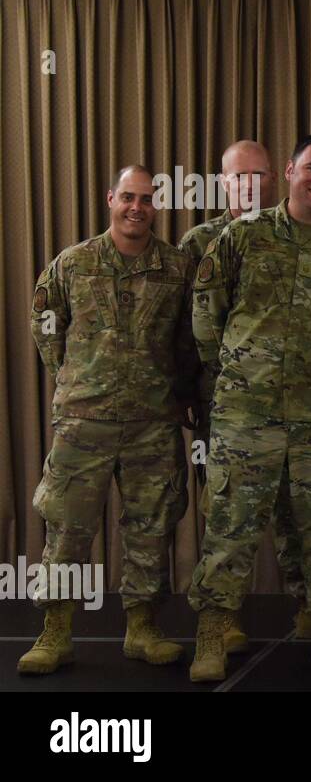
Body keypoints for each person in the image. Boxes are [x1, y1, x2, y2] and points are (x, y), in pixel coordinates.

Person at [187, 135, 311, 681]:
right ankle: (211, 636)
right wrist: (238, 371)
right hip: (247, 414)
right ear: (290, 171)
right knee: (231, 526)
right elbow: (208, 318)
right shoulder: (242, 237)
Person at [20, 165, 196, 674]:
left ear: (156, 206)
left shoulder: (177, 268)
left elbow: (190, 338)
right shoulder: (73, 264)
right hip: (84, 422)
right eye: (127, 198)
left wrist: (180, 389)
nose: (136, 207)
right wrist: (73, 375)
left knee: (150, 528)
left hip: (153, 422)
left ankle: (142, 629)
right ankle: (55, 633)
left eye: (145, 199)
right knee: (68, 528)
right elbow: (45, 320)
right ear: (110, 199)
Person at [177, 140, 310, 648]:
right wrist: (188, 388)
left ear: (274, 179)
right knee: (228, 514)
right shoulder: (200, 242)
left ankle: (308, 609)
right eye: (237, 176)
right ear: (222, 182)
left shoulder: (297, 234)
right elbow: (185, 327)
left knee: (297, 512)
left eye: (257, 175)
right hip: (224, 407)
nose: (248, 184)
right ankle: (223, 618)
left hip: (295, 406)